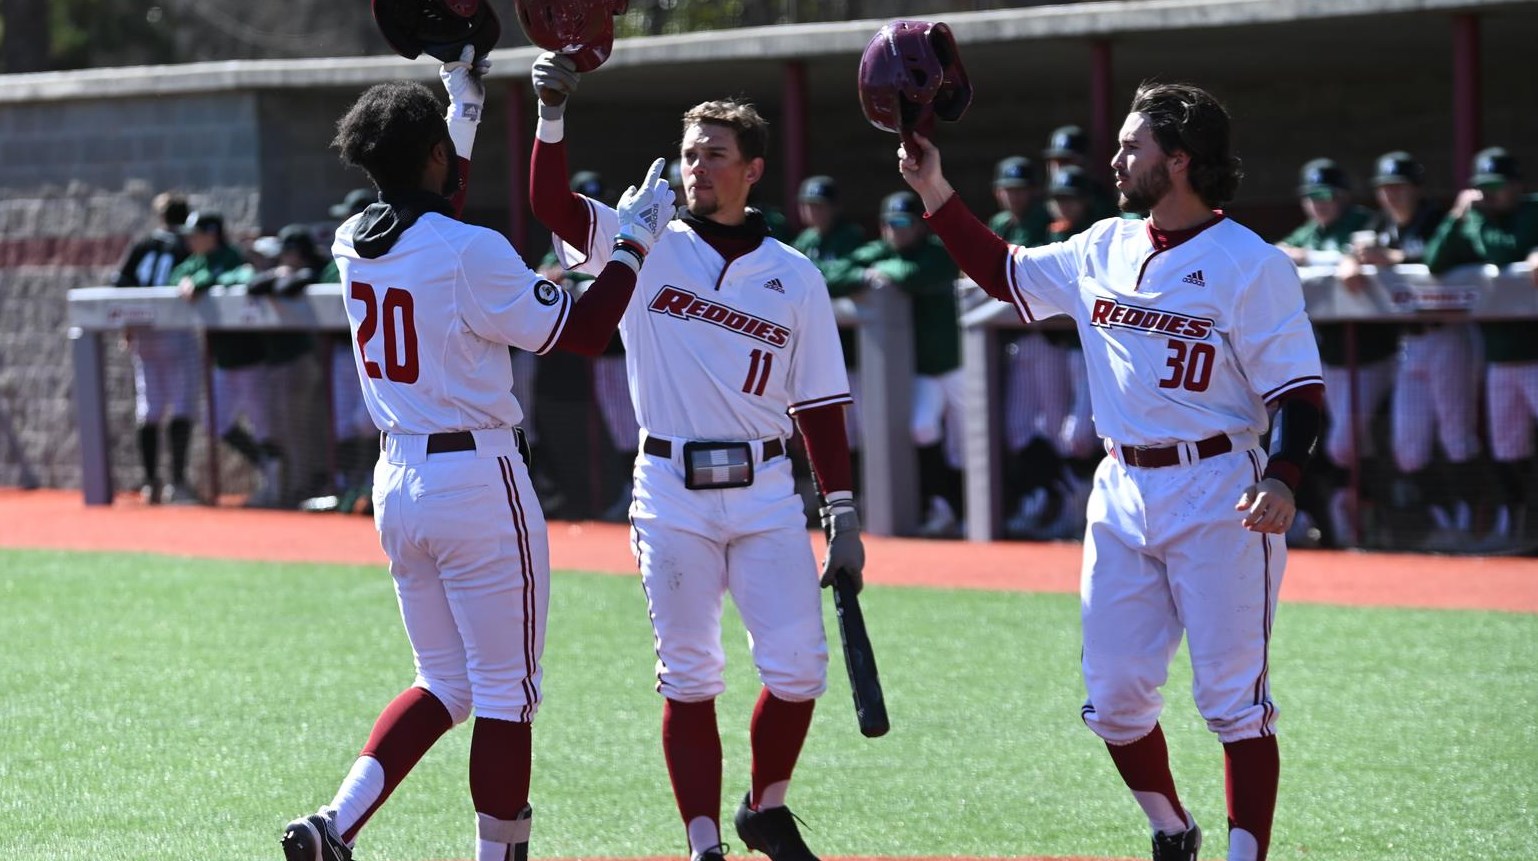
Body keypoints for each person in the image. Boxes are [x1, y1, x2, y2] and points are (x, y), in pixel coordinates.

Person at [899, 81, 1324, 861]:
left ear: (1182, 160)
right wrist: (933, 188)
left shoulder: (1250, 262)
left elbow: (1298, 389)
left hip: (1220, 487)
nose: (1117, 157)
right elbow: (1005, 272)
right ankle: (1172, 828)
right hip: (1122, 489)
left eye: (1134, 145)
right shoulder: (1103, 244)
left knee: (1234, 704)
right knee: (1117, 699)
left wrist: (1286, 475)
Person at [278, 49, 676, 861]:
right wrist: (633, 241)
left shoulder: (354, 238)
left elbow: (429, 196)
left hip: (398, 479)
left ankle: (335, 823)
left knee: (444, 683)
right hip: (478, 477)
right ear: (432, 156)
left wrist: (460, 107)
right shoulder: (469, 249)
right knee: (504, 694)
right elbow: (588, 331)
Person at [530, 53, 865, 861]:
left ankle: (764, 806)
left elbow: (818, 404)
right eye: (689, 153)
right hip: (670, 486)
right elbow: (547, 201)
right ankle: (703, 841)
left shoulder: (794, 274)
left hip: (766, 491)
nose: (696, 167)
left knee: (799, 669)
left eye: (715, 154)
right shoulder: (646, 238)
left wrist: (845, 514)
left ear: (751, 169)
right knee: (689, 673)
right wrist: (551, 112)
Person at [1339, 152, 1478, 548]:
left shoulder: (1434, 219)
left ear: (1417, 188)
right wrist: (1352, 260)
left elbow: (1445, 257)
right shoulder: (1380, 224)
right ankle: (1440, 520)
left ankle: (1476, 521)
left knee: (1456, 435)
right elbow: (1358, 249)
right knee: (1407, 446)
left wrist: (1394, 259)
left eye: (1399, 187)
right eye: (1385, 188)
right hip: (1409, 342)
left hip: (1449, 334)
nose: (1392, 195)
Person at [826, 191, 965, 538]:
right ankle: (946, 508)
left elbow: (911, 274)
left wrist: (877, 271)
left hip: (961, 365)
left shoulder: (937, 251)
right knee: (921, 429)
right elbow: (828, 272)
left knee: (970, 447)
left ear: (920, 226)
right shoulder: (881, 251)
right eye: (889, 223)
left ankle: (994, 511)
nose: (895, 231)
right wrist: (865, 274)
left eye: (903, 223)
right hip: (924, 371)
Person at [1425, 146, 1538, 550]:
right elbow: (1436, 262)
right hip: (1500, 356)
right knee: (1507, 449)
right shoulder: (1474, 219)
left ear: (1518, 186)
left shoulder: (1531, 211)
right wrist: (1459, 215)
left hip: (1535, 352)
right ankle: (1516, 526)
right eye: (1484, 188)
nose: (1491, 196)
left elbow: (1506, 249)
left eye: (1499, 188)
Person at [1276, 158, 1393, 547]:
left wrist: (1321, 259)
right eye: (1312, 196)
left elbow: (1375, 254)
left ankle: (1388, 508)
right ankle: (1352, 515)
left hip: (1379, 351)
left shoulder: (1366, 221)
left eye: (1327, 195)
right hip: (1331, 356)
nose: (1319, 203)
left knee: (1359, 444)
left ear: (1343, 196)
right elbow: (1280, 253)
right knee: (1337, 442)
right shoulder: (1309, 232)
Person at [173, 211, 285, 507]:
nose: (190, 239)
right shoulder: (196, 261)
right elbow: (178, 274)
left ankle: (277, 487)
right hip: (223, 361)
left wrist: (201, 281)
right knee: (215, 421)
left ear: (211, 233)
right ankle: (265, 467)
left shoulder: (230, 256)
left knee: (263, 425)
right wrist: (189, 278)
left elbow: (239, 275)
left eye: (196, 234)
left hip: (249, 357)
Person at [114, 191, 199, 505]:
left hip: (144, 330)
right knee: (181, 405)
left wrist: (127, 325)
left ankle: (152, 483)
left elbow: (120, 285)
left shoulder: (143, 243)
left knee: (148, 406)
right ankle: (178, 483)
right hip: (176, 329)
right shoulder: (186, 244)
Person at [791, 175, 865, 464]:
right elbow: (791, 280)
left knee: (855, 427)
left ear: (835, 208)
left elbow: (850, 275)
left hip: (851, 352)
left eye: (821, 206)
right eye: (809, 205)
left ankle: (858, 489)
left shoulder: (850, 236)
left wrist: (816, 276)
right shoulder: (804, 241)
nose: (815, 212)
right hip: (815, 349)